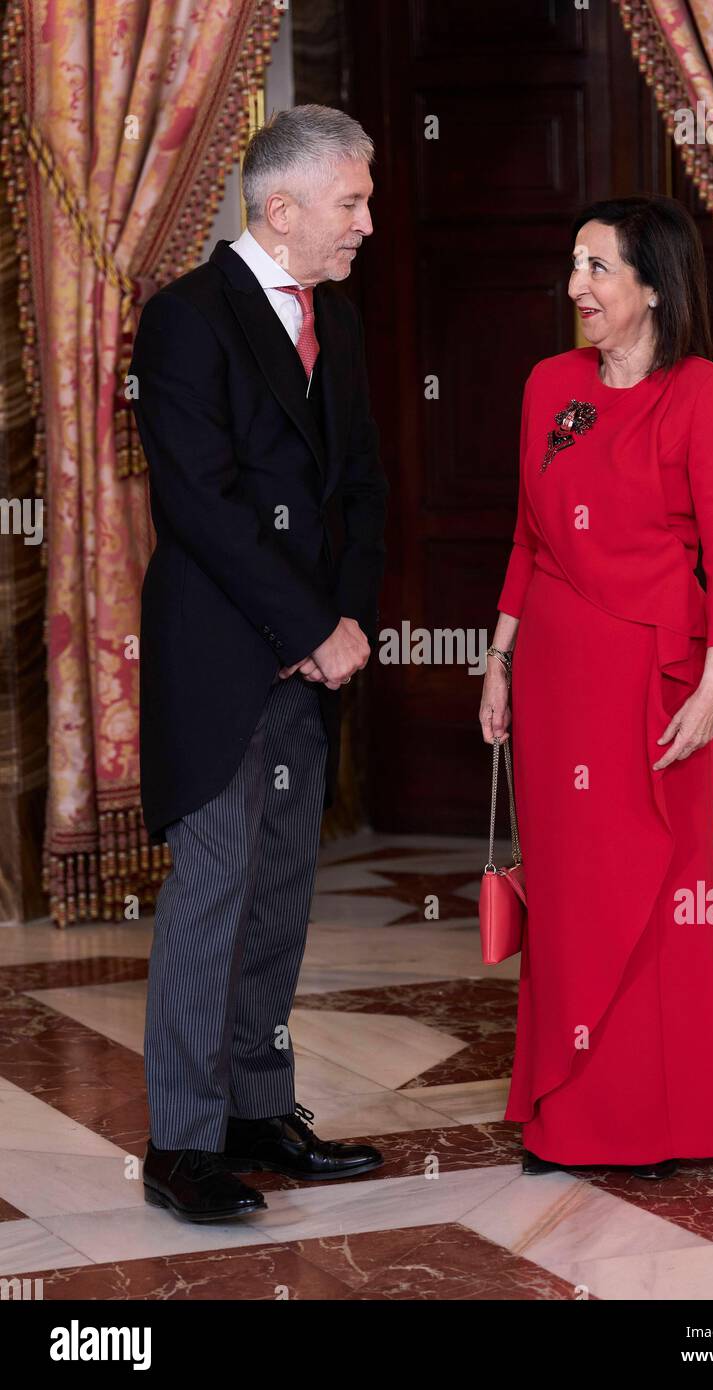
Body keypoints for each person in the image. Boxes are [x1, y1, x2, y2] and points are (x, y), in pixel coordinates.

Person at [131, 105, 389, 1222]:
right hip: (224, 660)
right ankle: (182, 1142)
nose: (367, 224)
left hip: (309, 661)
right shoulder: (185, 321)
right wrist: (304, 630)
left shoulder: (339, 322)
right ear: (280, 210)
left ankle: (253, 1108)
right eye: (353, 201)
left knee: (281, 892)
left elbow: (365, 491)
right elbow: (204, 505)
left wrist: (348, 625)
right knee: (216, 895)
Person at [480, 195, 713, 1180]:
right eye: (572, 265)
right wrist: (499, 660)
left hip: (656, 682)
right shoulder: (547, 383)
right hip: (554, 677)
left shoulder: (704, 394)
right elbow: (525, 533)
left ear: (651, 285)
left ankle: (658, 1120)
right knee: (565, 891)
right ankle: (564, 1114)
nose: (574, 288)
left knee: (653, 892)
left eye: (596, 268)